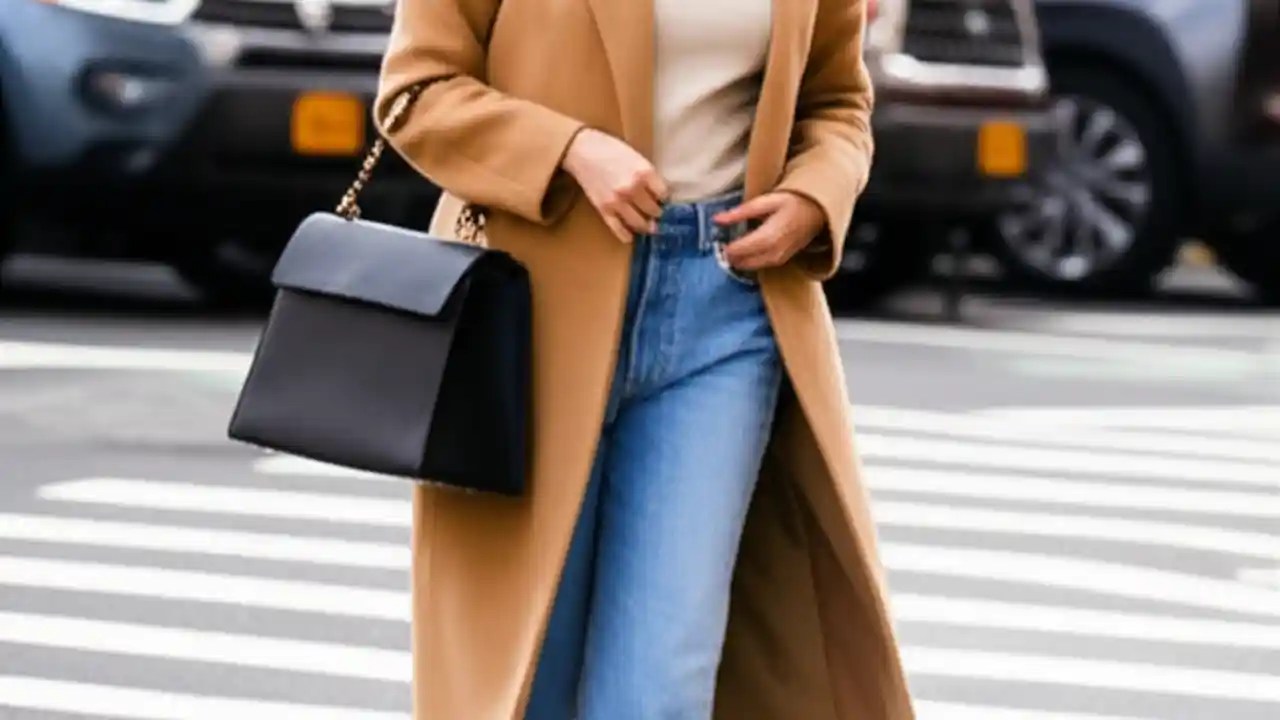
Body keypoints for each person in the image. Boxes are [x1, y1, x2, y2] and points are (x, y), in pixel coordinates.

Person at [375, 0, 914, 717]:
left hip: (726, 310)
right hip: (530, 315)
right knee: (531, 671)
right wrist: (568, 150)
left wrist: (814, 196)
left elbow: (838, 102)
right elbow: (418, 89)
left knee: (662, 687)